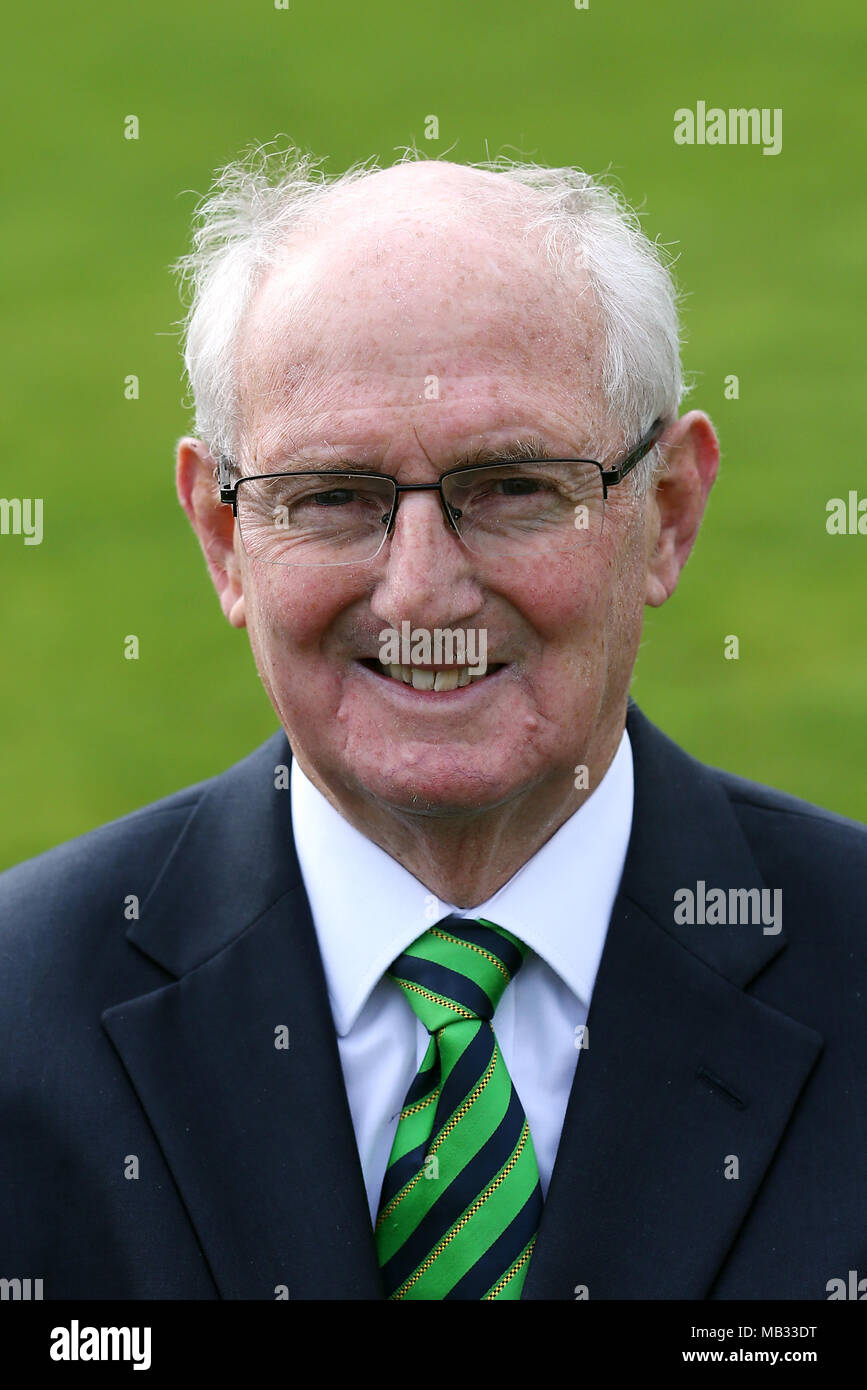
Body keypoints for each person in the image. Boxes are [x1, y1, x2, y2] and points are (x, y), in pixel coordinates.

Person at [1, 148, 864, 1302]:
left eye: (512, 486)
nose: (418, 593)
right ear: (223, 540)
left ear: (666, 511)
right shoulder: (18, 1020)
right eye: (334, 498)